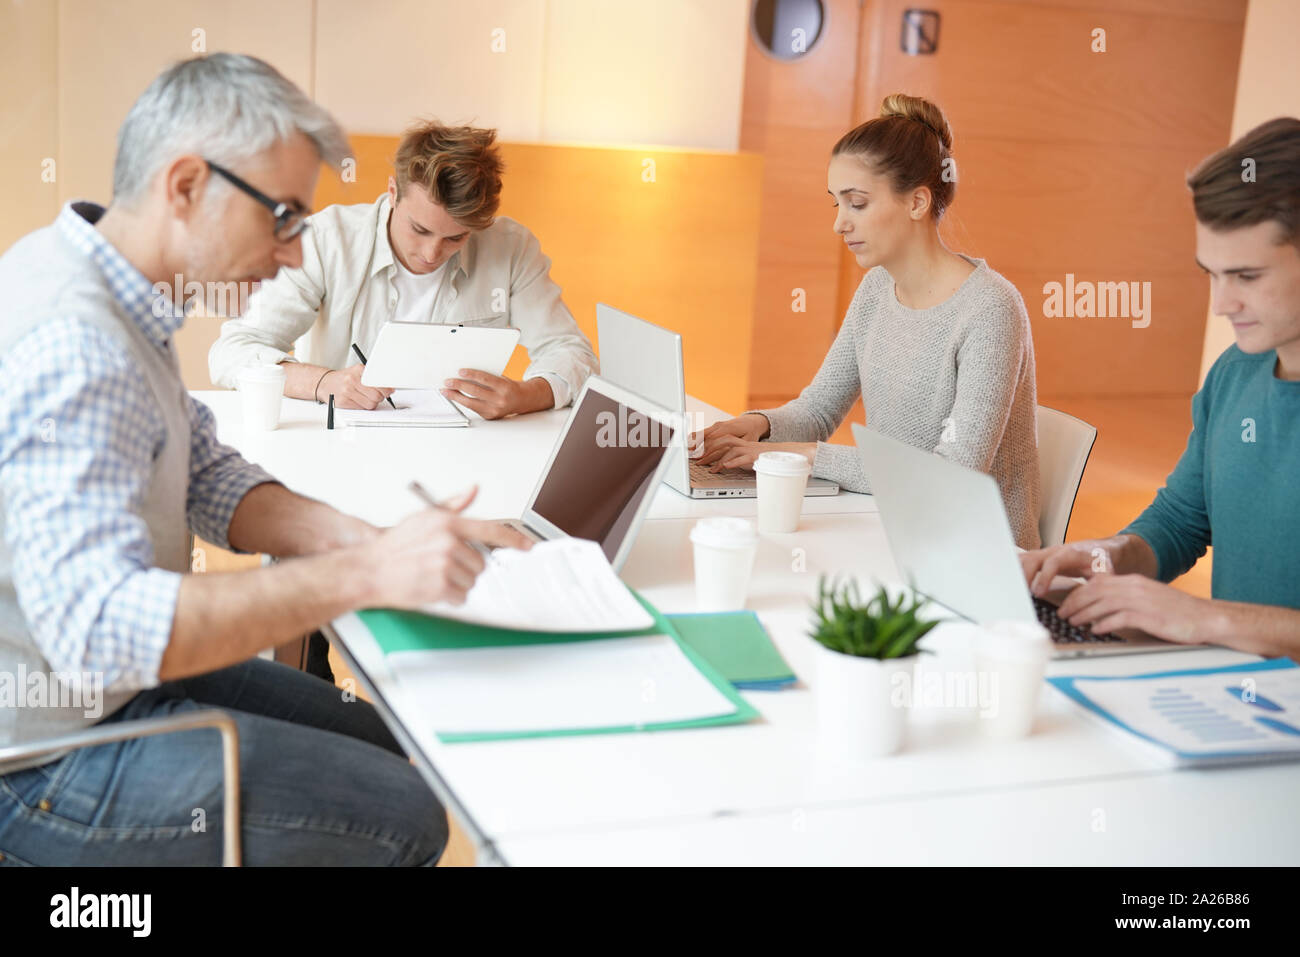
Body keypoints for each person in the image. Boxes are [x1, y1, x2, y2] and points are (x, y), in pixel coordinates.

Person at [0, 53, 530, 866]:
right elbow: (102, 631)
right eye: (282, 215)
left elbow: (208, 473)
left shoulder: (105, 281)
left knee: (387, 736)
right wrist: (368, 575)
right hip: (46, 751)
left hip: (99, 687)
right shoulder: (78, 343)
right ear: (184, 186)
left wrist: (373, 538)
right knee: (406, 813)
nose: (293, 251)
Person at [695, 93, 1042, 549]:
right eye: (835, 204)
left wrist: (802, 456)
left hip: (972, 554)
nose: (840, 224)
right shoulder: (877, 288)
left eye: (856, 204)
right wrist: (761, 427)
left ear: (918, 202)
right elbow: (819, 409)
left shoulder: (991, 309)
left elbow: (950, 478)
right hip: (888, 523)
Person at [1020, 118, 1300, 657]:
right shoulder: (1234, 374)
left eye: (1246, 276)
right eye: (1210, 275)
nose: (1221, 304)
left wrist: (1209, 619)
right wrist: (1104, 554)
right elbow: (1181, 522)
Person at [208, 119, 598, 417]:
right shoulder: (328, 240)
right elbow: (233, 351)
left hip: (464, 455)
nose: (431, 253)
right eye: (420, 229)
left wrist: (526, 395)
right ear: (392, 191)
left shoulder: (511, 248)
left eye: (455, 238)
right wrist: (325, 383)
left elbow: (571, 352)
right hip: (344, 450)